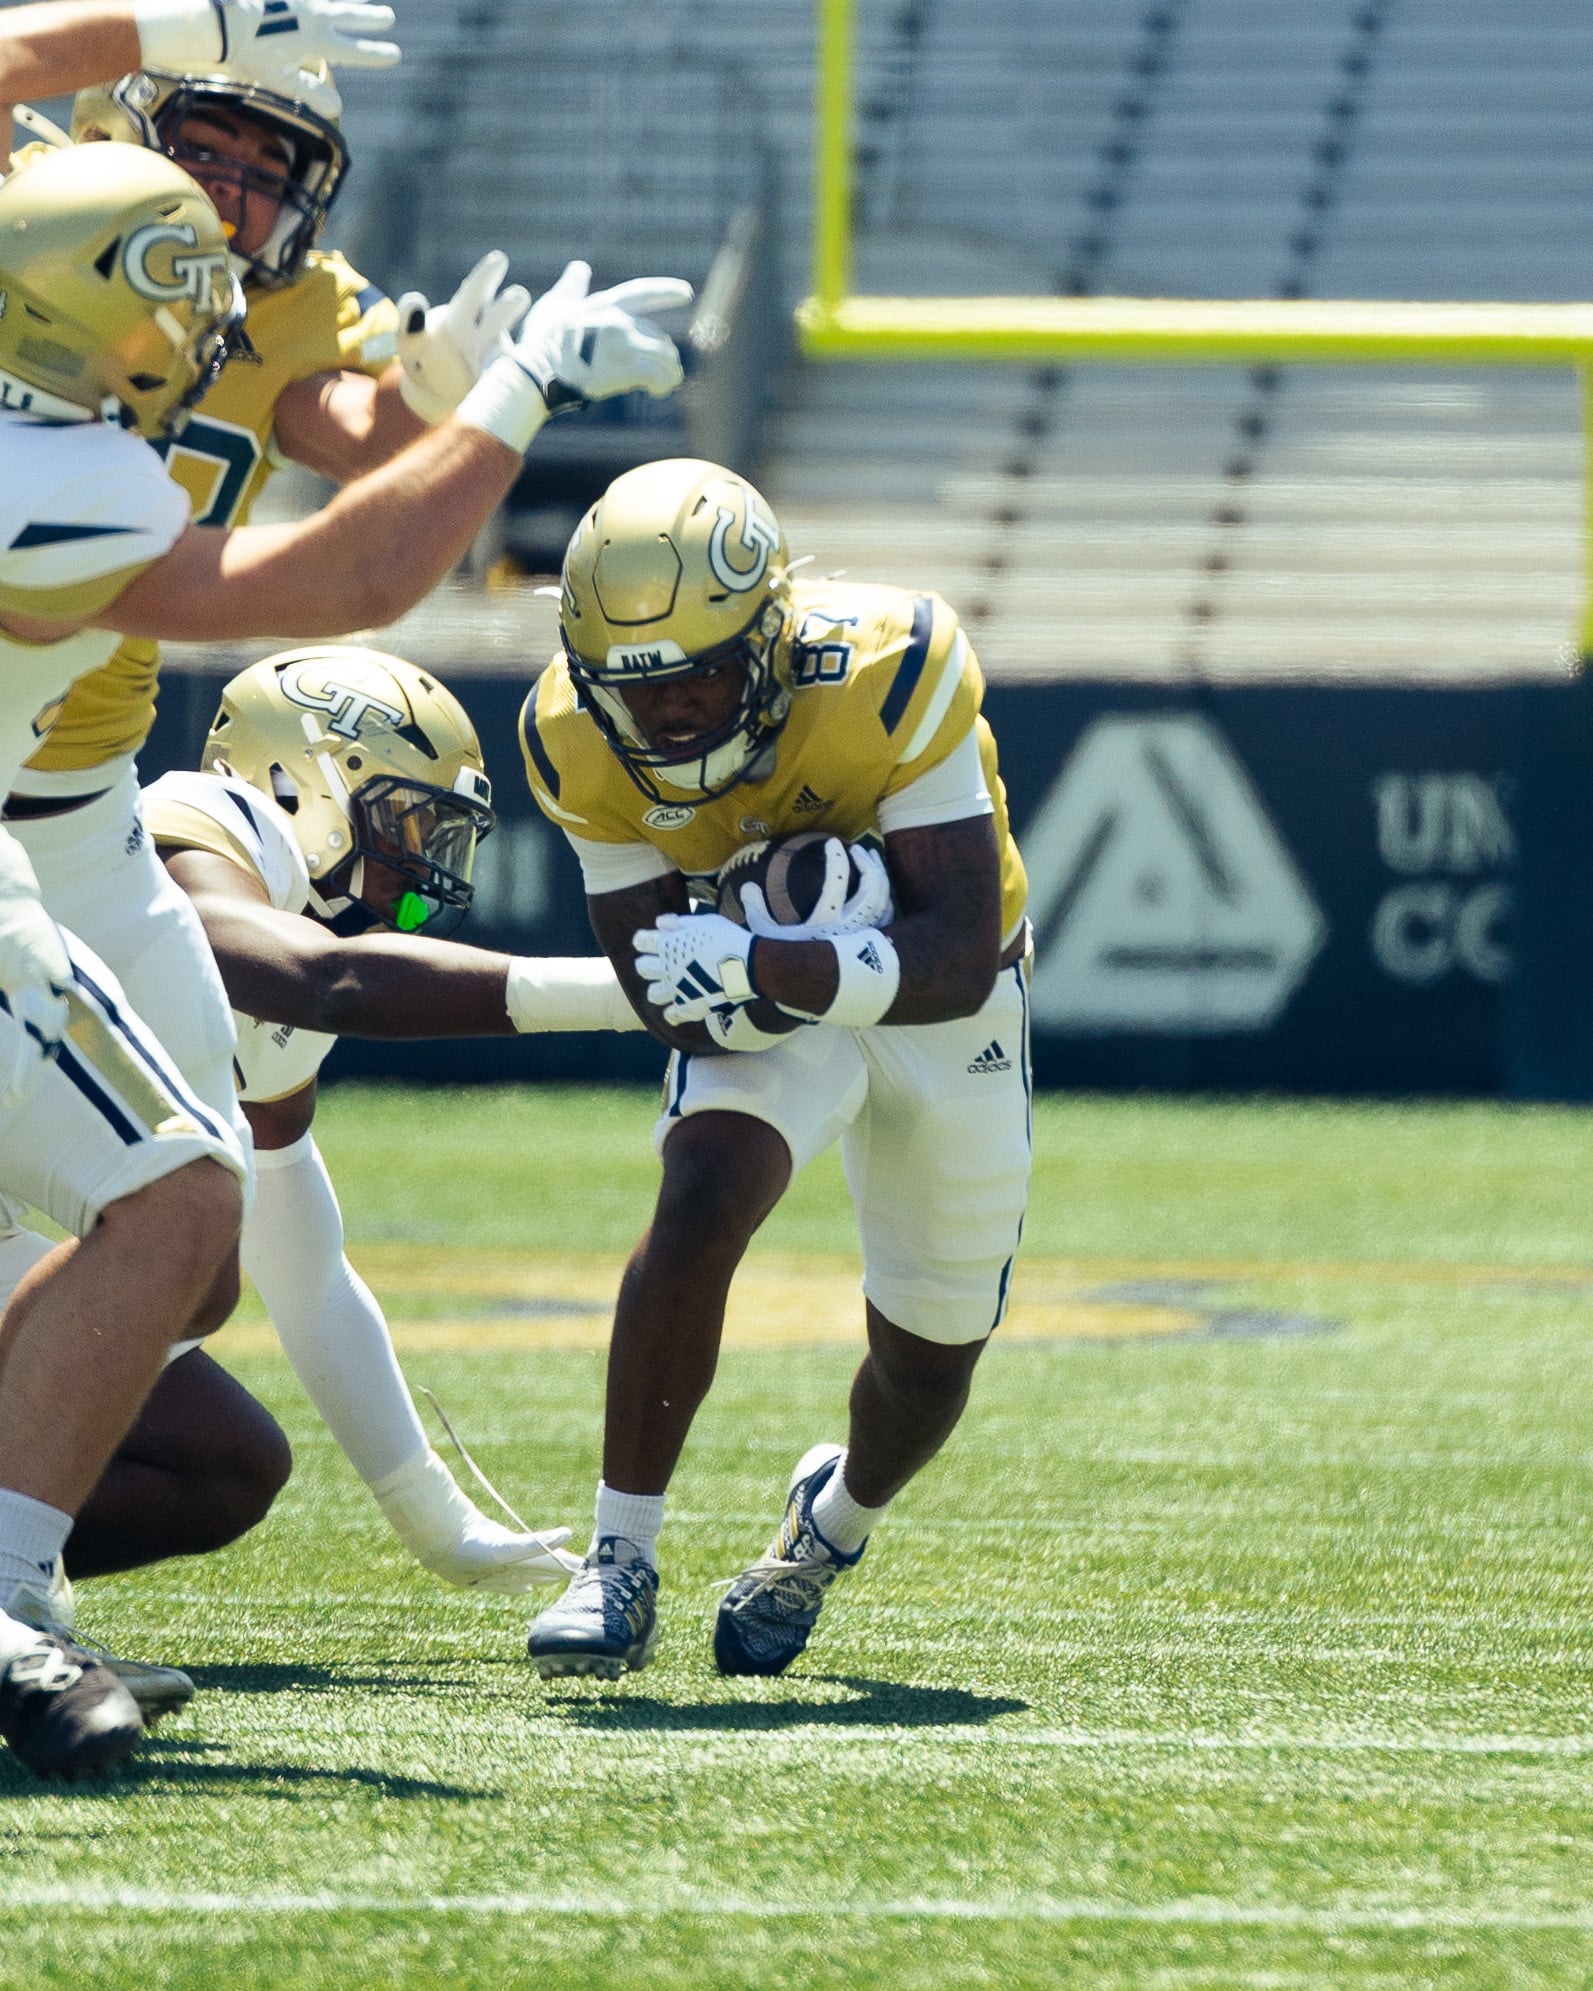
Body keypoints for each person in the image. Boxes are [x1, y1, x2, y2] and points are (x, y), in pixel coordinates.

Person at [0, 112, 686, 1775]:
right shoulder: (59, 479)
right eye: (169, 298)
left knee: (185, 1215)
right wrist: (511, 394)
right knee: (170, 1199)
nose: (202, 329)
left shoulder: (52, 434)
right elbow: (356, 562)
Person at [18, 646, 646, 1690]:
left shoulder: (297, 944)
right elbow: (332, 980)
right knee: (190, 1268)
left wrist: (437, 1519)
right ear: (294, 779)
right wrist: (636, 991)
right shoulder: (182, 833)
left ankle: (8, 1587)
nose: (421, 874)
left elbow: (305, 1263)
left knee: (226, 1460)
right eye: (409, 826)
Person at [520, 459, 1032, 1681]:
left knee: (931, 1355)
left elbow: (954, 956)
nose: (678, 710)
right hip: (759, 982)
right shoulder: (571, 738)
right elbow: (664, 997)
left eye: (701, 669)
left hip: (938, 1001)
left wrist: (778, 954)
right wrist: (743, 980)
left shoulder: (886, 666)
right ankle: (617, 1556)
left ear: (768, 635)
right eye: (640, 688)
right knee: (699, 1190)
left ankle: (828, 1523)